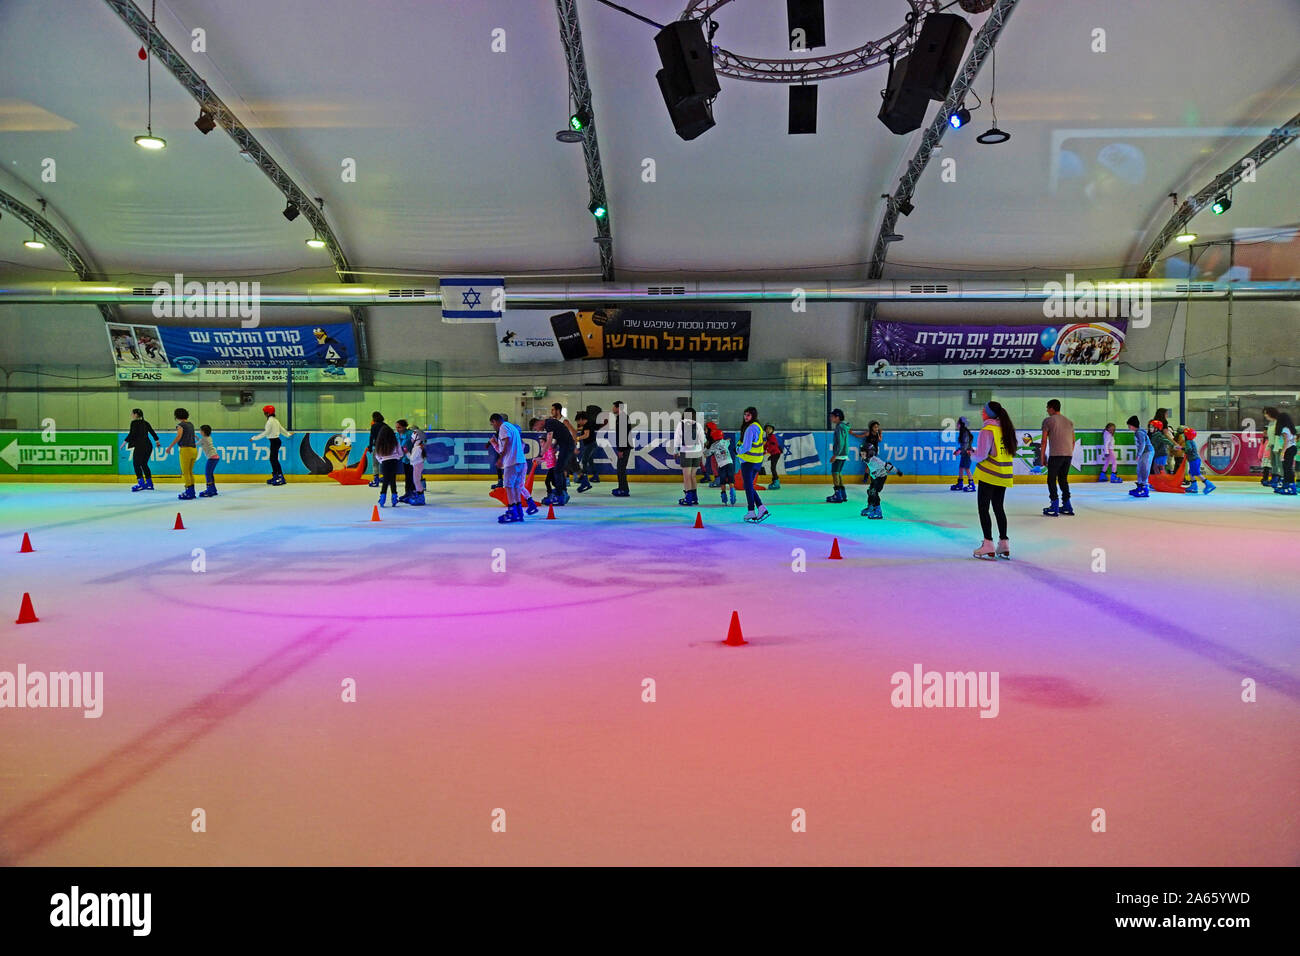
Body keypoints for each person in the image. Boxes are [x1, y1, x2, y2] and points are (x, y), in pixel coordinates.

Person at [971, 401, 1017, 559]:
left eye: (983, 410)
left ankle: (988, 544)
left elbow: (981, 455)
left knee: (983, 508)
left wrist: (971, 454)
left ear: (988, 414)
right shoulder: (1005, 429)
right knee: (998, 507)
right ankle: (1004, 544)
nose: (981, 412)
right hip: (1003, 474)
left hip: (989, 474)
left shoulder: (988, 429)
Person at [490, 412, 529, 522]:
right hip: (520, 461)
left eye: (492, 424)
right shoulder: (512, 427)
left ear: (495, 421)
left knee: (508, 487)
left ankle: (512, 512)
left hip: (511, 461)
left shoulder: (503, 427)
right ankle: (519, 511)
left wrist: (501, 458)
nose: (493, 427)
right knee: (516, 487)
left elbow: (507, 441)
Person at [1040, 399, 1076, 517]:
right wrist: (1069, 452)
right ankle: (1067, 504)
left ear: (1051, 408)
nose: (1046, 410)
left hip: (1056, 455)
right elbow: (1073, 441)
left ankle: (1054, 505)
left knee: (1051, 479)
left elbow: (1044, 440)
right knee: (1063, 479)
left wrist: (1042, 457)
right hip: (1068, 454)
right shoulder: (1069, 422)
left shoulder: (1048, 421)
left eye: (1047, 407)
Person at [736, 407, 770, 523]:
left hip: (748, 461)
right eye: (745, 414)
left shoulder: (750, 428)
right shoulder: (759, 427)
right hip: (757, 461)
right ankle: (761, 507)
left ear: (753, 416)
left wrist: (738, 450)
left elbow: (746, 447)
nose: (746, 417)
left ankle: (751, 510)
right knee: (748, 485)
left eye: (748, 415)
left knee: (748, 486)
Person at [857, 421, 894, 519]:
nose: (862, 455)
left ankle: (878, 511)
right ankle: (871, 507)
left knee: (873, 491)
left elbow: (884, 466)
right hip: (875, 474)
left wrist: (887, 470)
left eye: (863, 453)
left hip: (879, 477)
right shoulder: (867, 459)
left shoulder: (875, 460)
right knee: (870, 491)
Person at [250, 404, 293, 486]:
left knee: (273, 460)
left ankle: (279, 477)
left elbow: (266, 433)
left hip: (274, 441)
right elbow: (281, 429)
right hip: (276, 441)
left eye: (265, 413)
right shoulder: (275, 420)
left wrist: (254, 438)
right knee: (273, 459)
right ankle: (277, 476)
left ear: (268, 413)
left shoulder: (270, 422)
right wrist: (287, 434)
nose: (264, 414)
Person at [542, 408, 576, 506]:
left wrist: (541, 455)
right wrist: (555, 445)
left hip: (567, 446)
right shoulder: (552, 422)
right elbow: (560, 434)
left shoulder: (550, 423)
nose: (538, 430)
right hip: (565, 445)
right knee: (559, 469)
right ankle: (562, 492)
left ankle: (561, 494)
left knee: (558, 469)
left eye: (553, 409)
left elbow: (548, 441)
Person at [122, 408, 160, 492]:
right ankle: (149, 484)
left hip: (140, 446)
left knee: (136, 464)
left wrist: (124, 442)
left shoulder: (134, 423)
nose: (131, 415)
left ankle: (141, 483)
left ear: (136, 415)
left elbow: (132, 434)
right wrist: (157, 441)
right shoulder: (145, 423)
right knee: (144, 464)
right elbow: (152, 432)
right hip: (148, 445)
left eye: (132, 413)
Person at [164, 407, 198, 501]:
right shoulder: (190, 424)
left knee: (185, 472)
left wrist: (170, 447)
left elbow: (179, 436)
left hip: (185, 450)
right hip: (194, 450)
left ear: (177, 416)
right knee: (190, 472)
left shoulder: (180, 425)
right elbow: (193, 434)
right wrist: (197, 437)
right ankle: (192, 491)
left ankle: (188, 492)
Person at [1265, 408, 1296, 495]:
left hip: (1288, 449)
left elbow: (1286, 442)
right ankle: (1287, 485)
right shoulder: (1289, 428)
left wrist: (1282, 452)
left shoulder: (1285, 429)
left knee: (1287, 469)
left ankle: (1291, 487)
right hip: (1291, 448)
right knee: (1287, 468)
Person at [704, 421, 736, 506]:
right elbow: (729, 441)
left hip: (721, 465)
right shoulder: (725, 442)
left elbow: (707, 453)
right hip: (730, 464)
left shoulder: (713, 446)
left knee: (722, 481)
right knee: (730, 480)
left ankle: (723, 494)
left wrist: (704, 451)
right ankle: (732, 491)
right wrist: (727, 440)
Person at [373, 423, 403, 508]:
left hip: (385, 463)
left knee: (385, 481)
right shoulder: (395, 442)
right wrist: (396, 457)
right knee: (393, 480)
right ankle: (394, 498)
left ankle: (382, 499)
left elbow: (377, 455)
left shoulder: (379, 443)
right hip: (394, 462)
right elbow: (400, 453)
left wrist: (382, 460)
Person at [397, 420, 426, 505]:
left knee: (416, 481)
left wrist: (406, 452)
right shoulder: (417, 447)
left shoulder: (417, 447)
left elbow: (412, 458)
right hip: (414, 464)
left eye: (399, 427)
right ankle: (417, 496)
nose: (412, 439)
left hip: (415, 465)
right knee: (415, 480)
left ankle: (418, 497)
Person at [1178, 427, 1214, 495]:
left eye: (1184, 435)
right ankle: (1194, 486)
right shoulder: (1191, 441)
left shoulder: (1188, 442)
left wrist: (1182, 449)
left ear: (1187, 435)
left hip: (1194, 460)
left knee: (1197, 473)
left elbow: (1189, 449)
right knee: (1191, 472)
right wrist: (1182, 448)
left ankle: (1209, 484)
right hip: (1195, 460)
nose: (1183, 436)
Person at [609, 401, 632, 497]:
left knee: (621, 469)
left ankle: (624, 489)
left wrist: (621, 449)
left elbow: (623, 434)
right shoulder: (621, 417)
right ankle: (622, 487)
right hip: (625, 446)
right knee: (620, 469)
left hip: (624, 447)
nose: (612, 409)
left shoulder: (622, 418)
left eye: (614, 407)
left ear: (618, 408)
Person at [827, 409, 850, 502]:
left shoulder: (840, 427)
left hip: (839, 454)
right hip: (843, 453)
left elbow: (840, 442)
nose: (830, 418)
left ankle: (838, 495)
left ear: (837, 417)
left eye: (832, 416)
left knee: (835, 473)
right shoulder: (843, 426)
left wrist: (835, 455)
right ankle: (842, 494)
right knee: (839, 472)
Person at [1126, 416, 1152, 497]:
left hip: (1147, 452)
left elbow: (1142, 444)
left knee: (1144, 468)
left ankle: (1144, 488)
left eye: (1129, 426)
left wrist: (1139, 454)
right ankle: (1140, 486)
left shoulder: (1139, 432)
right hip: (1144, 452)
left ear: (1133, 425)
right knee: (1140, 468)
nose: (1128, 427)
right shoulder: (1138, 432)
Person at [574, 411, 599, 492]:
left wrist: (577, 438)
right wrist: (577, 429)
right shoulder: (587, 424)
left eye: (578, 421)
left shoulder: (587, 425)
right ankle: (595, 476)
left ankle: (584, 480)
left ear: (581, 419)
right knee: (590, 460)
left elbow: (586, 435)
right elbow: (585, 430)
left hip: (590, 445)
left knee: (584, 460)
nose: (578, 423)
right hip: (591, 445)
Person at [951, 416, 975, 492]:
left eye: (958, 423)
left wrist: (959, 450)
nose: (957, 424)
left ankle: (972, 485)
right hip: (964, 453)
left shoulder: (965, 433)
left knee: (967, 468)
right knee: (961, 467)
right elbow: (963, 445)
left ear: (962, 424)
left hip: (967, 453)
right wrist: (959, 450)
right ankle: (960, 483)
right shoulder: (962, 432)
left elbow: (965, 444)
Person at [197, 424, 220, 498]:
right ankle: (213, 489)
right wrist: (195, 436)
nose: (200, 431)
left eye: (200, 430)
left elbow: (196, 444)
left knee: (207, 474)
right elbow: (201, 441)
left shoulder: (204, 439)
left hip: (211, 458)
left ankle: (209, 490)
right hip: (215, 457)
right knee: (210, 473)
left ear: (203, 432)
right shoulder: (208, 438)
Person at [366, 412, 385, 488]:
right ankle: (386, 478)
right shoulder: (385, 426)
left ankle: (376, 480)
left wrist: (370, 447)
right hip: (385, 447)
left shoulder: (374, 426)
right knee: (384, 463)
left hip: (377, 447)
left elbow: (371, 437)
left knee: (375, 464)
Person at [763, 425, 783, 490]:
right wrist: (763, 450)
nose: (768, 430)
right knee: (772, 468)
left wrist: (766, 451)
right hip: (774, 454)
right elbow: (766, 445)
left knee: (773, 468)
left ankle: (776, 482)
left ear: (772, 430)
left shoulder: (772, 437)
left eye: (770, 429)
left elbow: (773, 446)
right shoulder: (769, 437)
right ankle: (775, 481)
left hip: (776, 454)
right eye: (767, 429)